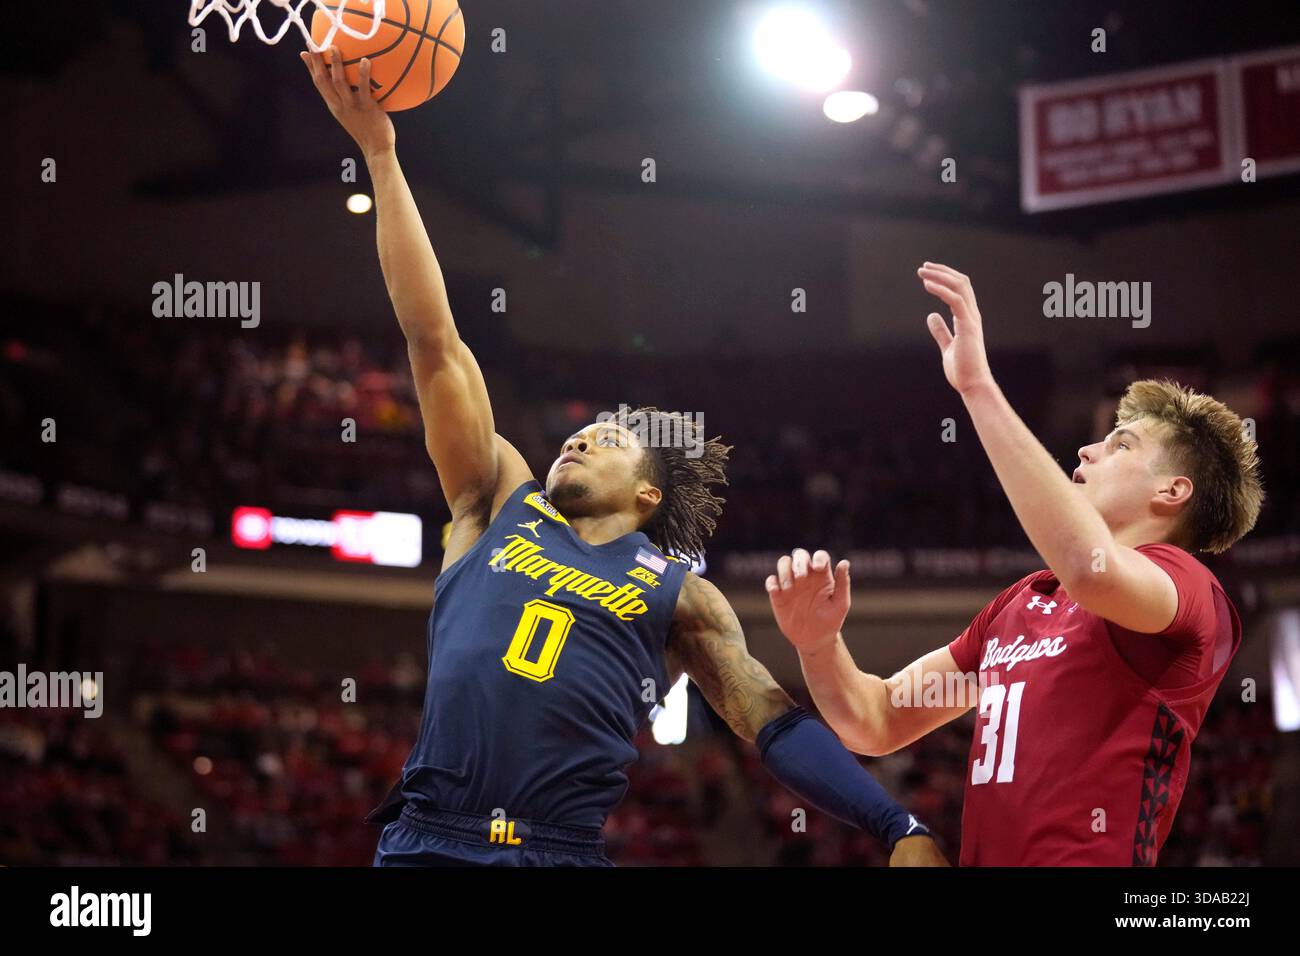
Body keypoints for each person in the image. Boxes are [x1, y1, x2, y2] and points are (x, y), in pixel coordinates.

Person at [300, 48, 945, 866]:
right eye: (578, 432)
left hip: (560, 850)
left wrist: (898, 824)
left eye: (607, 440)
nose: (576, 438)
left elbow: (774, 721)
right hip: (431, 842)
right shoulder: (495, 499)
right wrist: (383, 156)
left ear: (647, 493)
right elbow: (434, 343)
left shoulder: (682, 598)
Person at [766, 262, 1263, 866]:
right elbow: (877, 720)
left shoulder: (1189, 588)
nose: (1087, 448)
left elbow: (1093, 567)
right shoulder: (1024, 600)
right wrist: (818, 645)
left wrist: (978, 388)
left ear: (1172, 493)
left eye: (1122, 444)